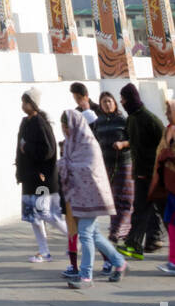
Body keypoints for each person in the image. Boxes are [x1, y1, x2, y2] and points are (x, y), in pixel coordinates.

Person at [58, 109, 126, 287]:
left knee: (85, 234)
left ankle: (86, 276)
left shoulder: (88, 144)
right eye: (63, 127)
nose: (65, 130)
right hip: (80, 196)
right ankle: (119, 262)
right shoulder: (72, 143)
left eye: (66, 127)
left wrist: (65, 165)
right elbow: (69, 163)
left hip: (91, 196)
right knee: (93, 234)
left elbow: (88, 169)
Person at [15, 87, 68, 262]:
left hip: (41, 178)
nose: (23, 105)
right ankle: (44, 251)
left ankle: (74, 238)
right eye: (23, 102)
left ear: (33, 104)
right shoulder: (26, 123)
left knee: (45, 213)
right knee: (34, 217)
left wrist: (26, 148)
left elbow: (49, 150)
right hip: (29, 177)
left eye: (26, 102)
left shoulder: (40, 124)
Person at [119, 83, 165, 260]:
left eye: (123, 99)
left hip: (154, 175)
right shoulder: (130, 119)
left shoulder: (150, 119)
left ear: (131, 99)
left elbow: (164, 145)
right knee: (140, 209)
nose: (121, 102)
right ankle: (134, 244)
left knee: (164, 211)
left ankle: (134, 243)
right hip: (140, 174)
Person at [92, 90, 134, 244]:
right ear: (101, 106)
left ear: (115, 103)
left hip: (124, 163)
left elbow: (133, 140)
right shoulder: (98, 122)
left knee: (125, 198)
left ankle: (117, 230)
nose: (107, 104)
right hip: (107, 165)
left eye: (110, 101)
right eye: (104, 102)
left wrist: (123, 144)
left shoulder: (123, 120)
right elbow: (94, 142)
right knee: (113, 199)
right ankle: (118, 228)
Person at [148, 98, 175, 275]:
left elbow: (166, 153)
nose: (166, 115)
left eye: (168, 111)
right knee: (171, 222)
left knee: (172, 222)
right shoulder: (169, 129)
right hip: (170, 184)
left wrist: (168, 155)